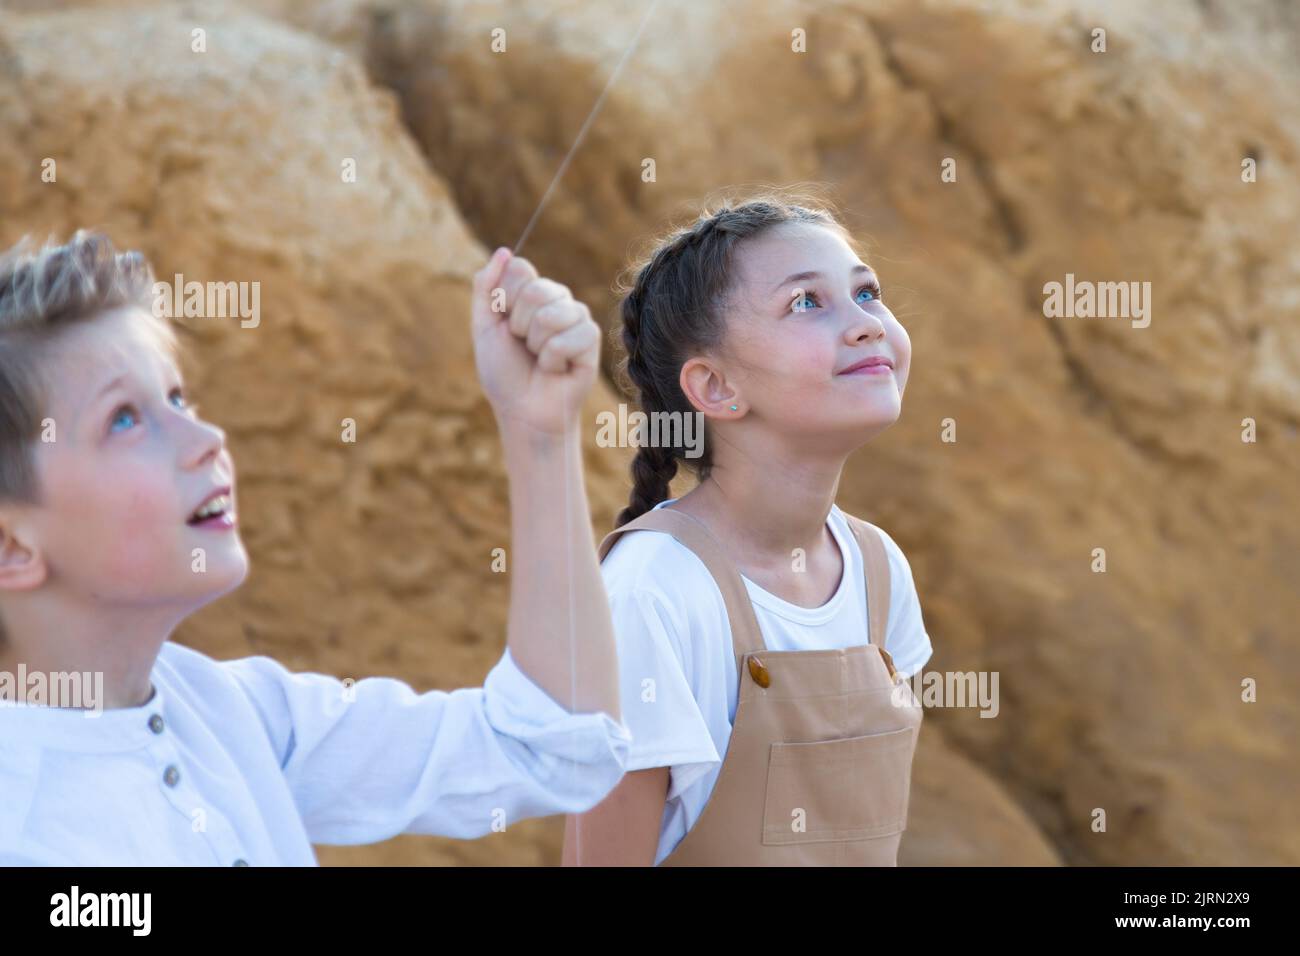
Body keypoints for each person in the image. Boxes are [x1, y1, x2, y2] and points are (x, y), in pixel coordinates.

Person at [0, 232, 628, 865]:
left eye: (176, 397)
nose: (207, 437)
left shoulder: (234, 714)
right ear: (10, 546)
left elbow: (550, 746)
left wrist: (539, 433)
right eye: (124, 420)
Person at [564, 192, 933, 866]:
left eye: (867, 292)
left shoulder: (879, 571)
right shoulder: (651, 594)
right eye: (806, 303)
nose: (866, 324)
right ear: (715, 387)